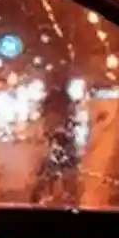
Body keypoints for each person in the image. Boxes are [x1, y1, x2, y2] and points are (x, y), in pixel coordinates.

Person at [30, 67, 80, 204]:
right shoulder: (62, 97)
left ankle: (58, 190)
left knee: (58, 163)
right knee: (60, 164)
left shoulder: (54, 97)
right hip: (57, 134)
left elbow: (45, 115)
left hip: (54, 134)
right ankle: (58, 190)